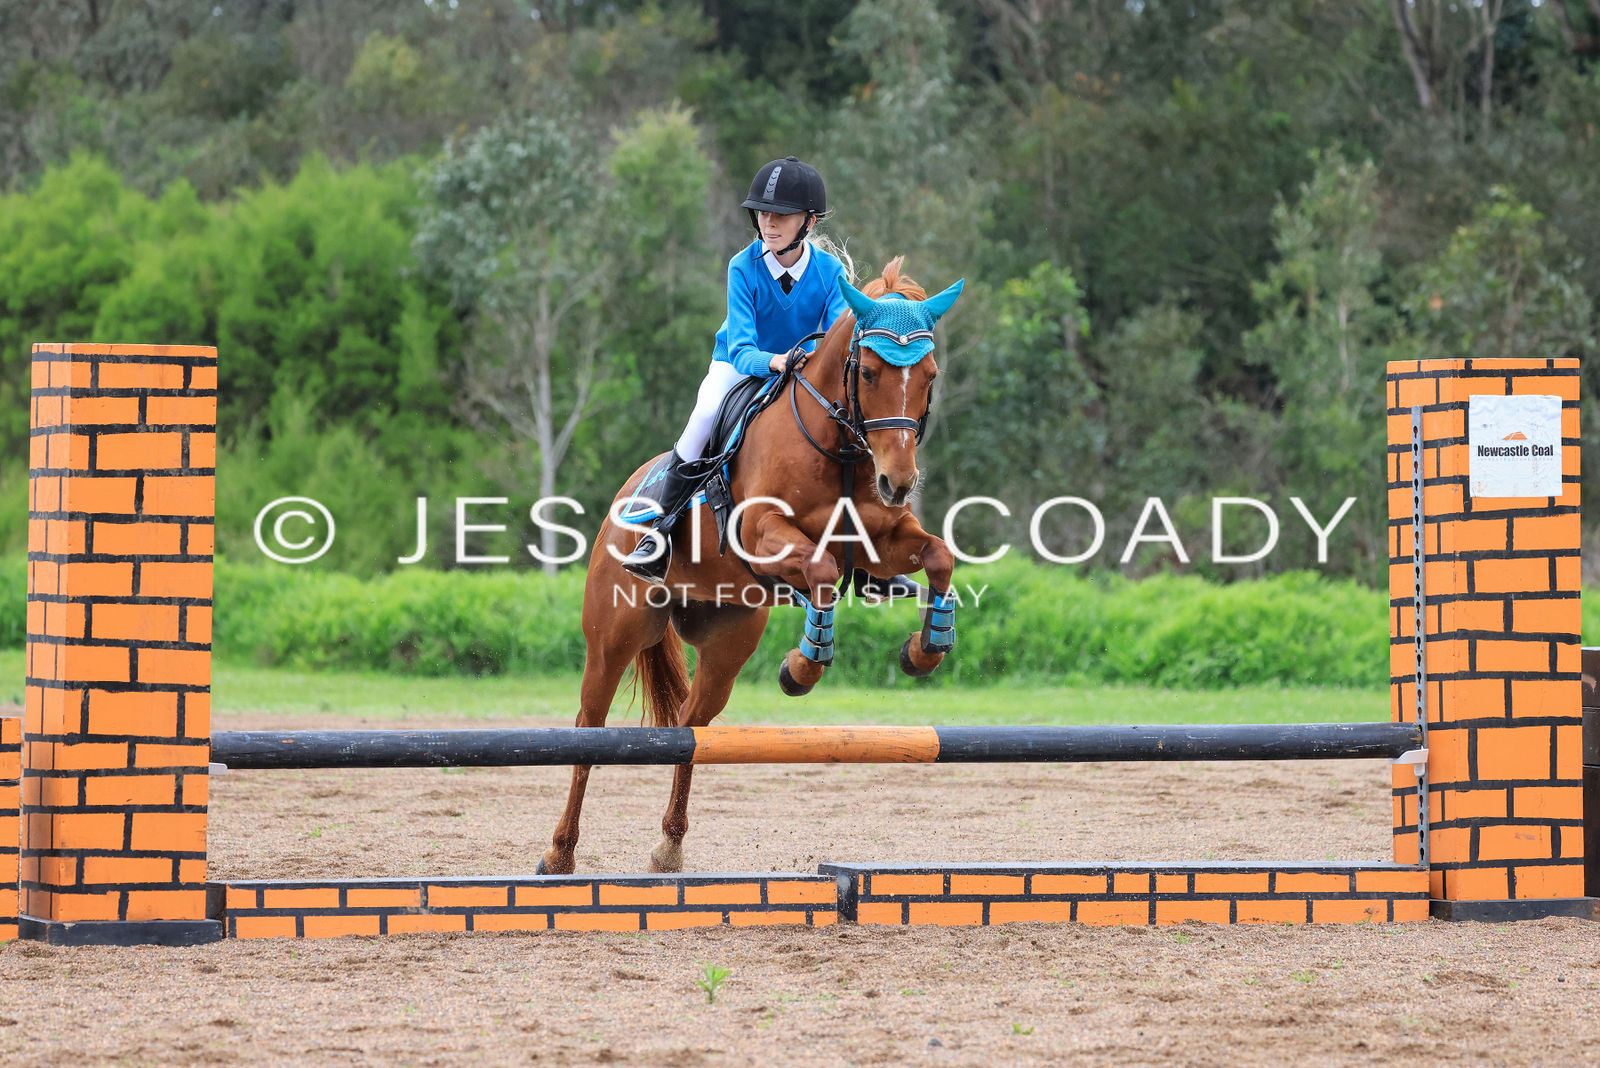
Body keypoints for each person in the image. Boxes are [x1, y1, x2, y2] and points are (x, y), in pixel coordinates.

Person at [621, 156, 850, 584]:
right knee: (705, 415)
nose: (769, 223)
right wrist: (775, 361)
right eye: (763, 213)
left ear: (809, 223)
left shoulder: (830, 272)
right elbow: (743, 347)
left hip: (800, 368)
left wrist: (808, 365)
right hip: (739, 365)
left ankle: (872, 550)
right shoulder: (742, 267)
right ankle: (658, 531)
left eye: (781, 215)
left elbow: (835, 339)